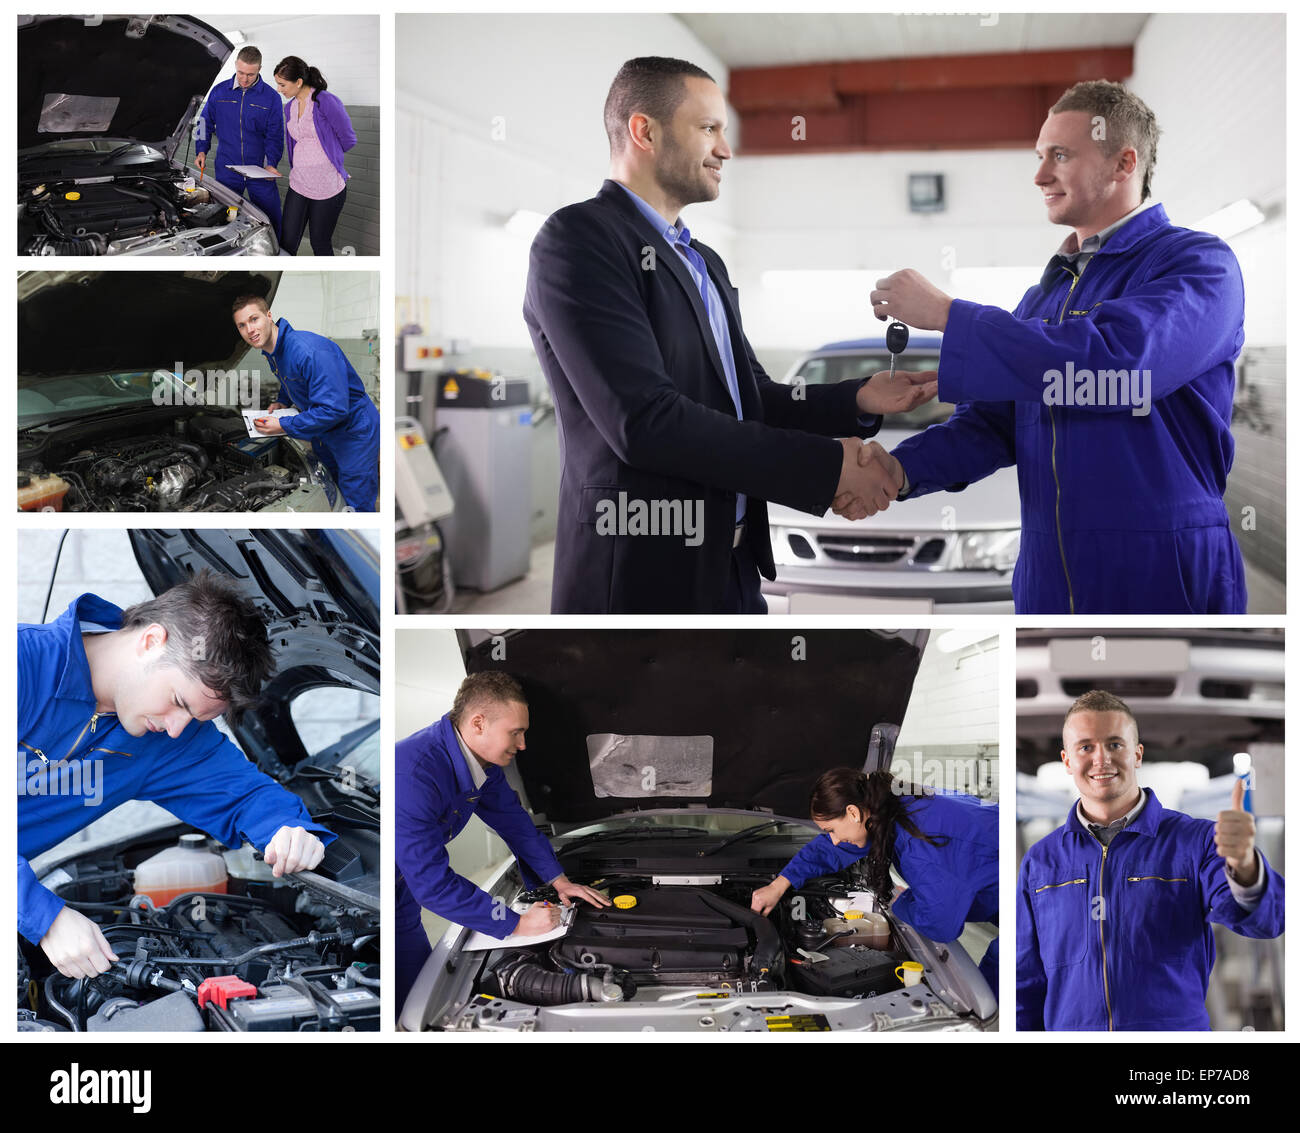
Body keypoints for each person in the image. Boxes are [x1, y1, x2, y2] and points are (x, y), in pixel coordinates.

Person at [523, 56, 934, 614]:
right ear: (645, 130)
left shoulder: (704, 262)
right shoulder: (580, 240)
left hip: (733, 570)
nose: (726, 149)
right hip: (642, 578)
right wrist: (826, 466)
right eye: (709, 129)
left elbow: (752, 398)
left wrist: (855, 397)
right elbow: (644, 423)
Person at [861, 80, 1247, 615]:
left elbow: (1121, 368)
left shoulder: (1198, 264)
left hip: (1163, 568)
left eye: (1060, 156)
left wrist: (950, 315)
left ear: (1123, 163)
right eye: (1040, 156)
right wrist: (898, 471)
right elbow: (994, 424)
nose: (1040, 175)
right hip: (1048, 570)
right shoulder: (1045, 296)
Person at [18, 571, 334, 981]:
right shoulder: (21, 664)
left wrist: (287, 829)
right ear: (151, 642)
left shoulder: (166, 741)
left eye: (195, 718)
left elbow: (244, 795)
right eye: (178, 702)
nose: (175, 728)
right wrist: (45, 917)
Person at [1016, 690, 1284, 1030]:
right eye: (1086, 747)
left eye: (1115, 744)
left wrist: (1245, 866)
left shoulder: (1197, 841)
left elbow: (1267, 921)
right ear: (1067, 760)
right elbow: (1024, 981)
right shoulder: (1041, 860)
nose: (1101, 759)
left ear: (1137, 754)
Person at [394, 672, 610, 1013]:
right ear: (479, 723)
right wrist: (515, 923)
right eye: (516, 732)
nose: (523, 745)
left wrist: (559, 879)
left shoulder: (483, 765)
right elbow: (433, 885)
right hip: (389, 887)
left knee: (413, 992)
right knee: (408, 1006)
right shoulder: (411, 776)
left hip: (403, 896)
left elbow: (517, 825)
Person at [750, 767, 999, 991]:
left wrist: (901, 902)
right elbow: (828, 849)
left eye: (831, 830)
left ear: (852, 812)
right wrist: (779, 884)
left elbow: (940, 925)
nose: (834, 839)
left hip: (1018, 888)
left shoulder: (920, 846)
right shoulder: (888, 806)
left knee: (1001, 984)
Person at [232, 294, 380, 512]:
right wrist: (283, 402)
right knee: (330, 491)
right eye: (242, 325)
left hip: (353, 433)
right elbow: (292, 379)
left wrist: (284, 425)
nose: (250, 330)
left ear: (269, 315)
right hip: (324, 431)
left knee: (355, 502)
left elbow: (334, 409)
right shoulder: (275, 351)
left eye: (254, 319)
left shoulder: (308, 351)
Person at [195, 45, 284, 239]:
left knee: (270, 218)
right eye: (241, 72)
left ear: (259, 69)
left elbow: (275, 135)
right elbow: (204, 122)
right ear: (236, 65)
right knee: (227, 216)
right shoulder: (219, 93)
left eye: (250, 75)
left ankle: (275, 253)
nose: (244, 79)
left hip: (259, 172)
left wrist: (271, 164)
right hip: (227, 169)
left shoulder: (271, 98)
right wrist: (201, 150)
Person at [273, 56, 357, 256]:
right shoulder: (289, 107)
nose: (279, 89)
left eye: (282, 84)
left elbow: (348, 138)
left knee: (319, 244)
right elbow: (295, 142)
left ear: (299, 82)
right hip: (299, 184)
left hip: (327, 187)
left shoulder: (325, 101)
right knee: (287, 242)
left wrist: (331, 160)